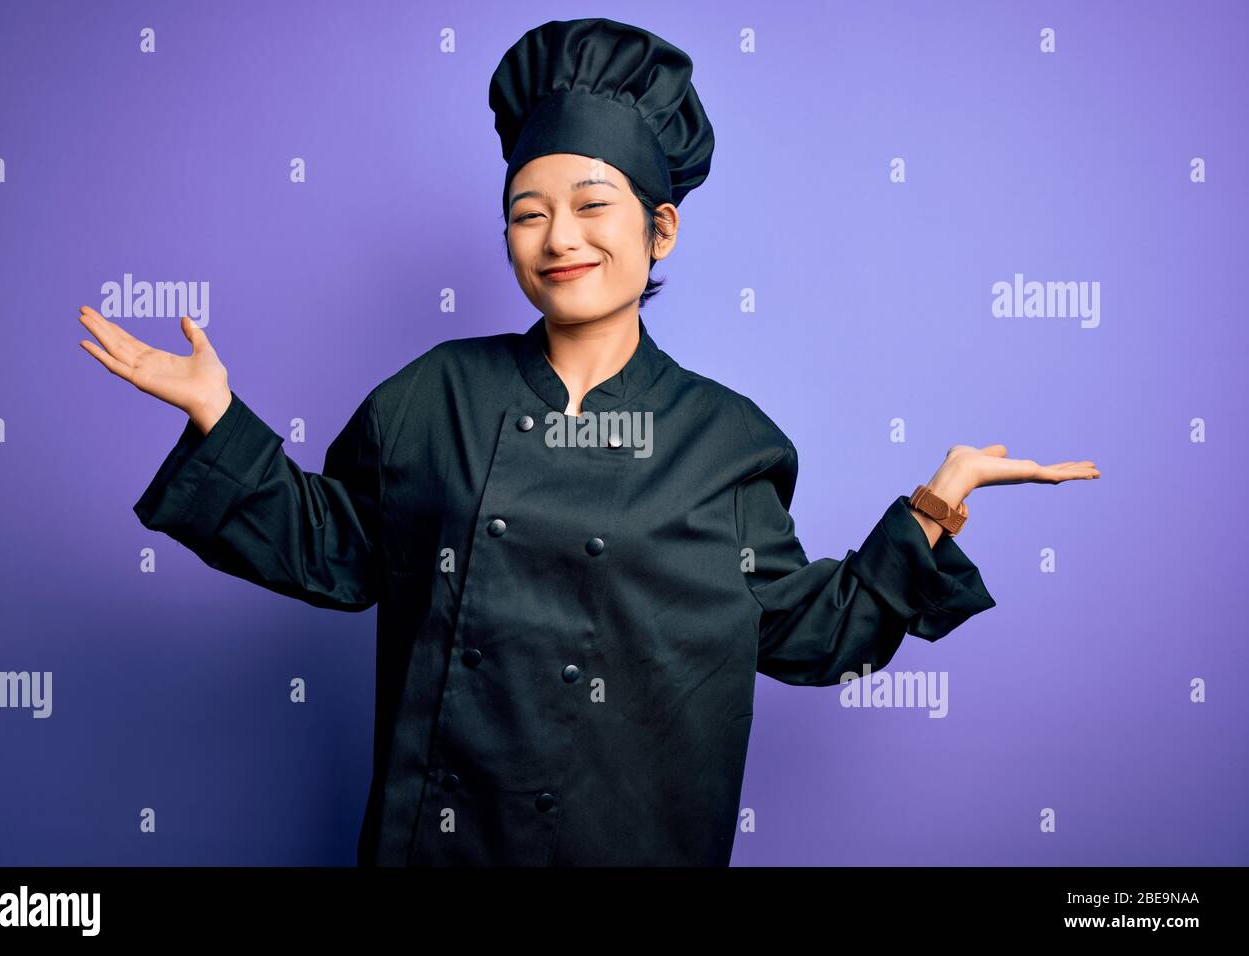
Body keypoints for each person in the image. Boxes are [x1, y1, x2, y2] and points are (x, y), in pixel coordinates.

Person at [77, 17, 1100, 866]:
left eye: (590, 204)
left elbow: (800, 630)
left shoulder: (727, 439)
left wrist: (935, 501)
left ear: (660, 230)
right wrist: (218, 415)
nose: (558, 236)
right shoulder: (432, 392)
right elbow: (341, 553)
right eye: (527, 212)